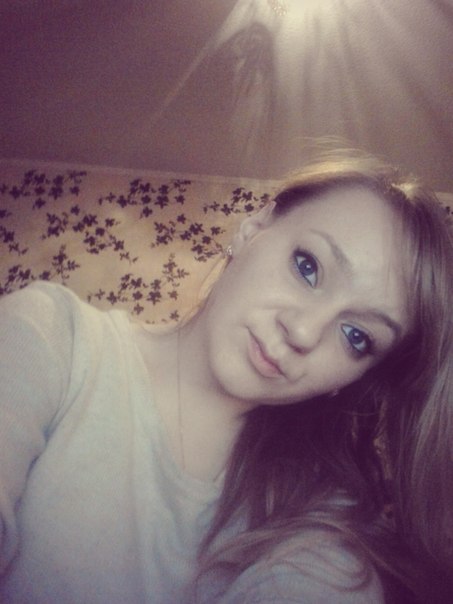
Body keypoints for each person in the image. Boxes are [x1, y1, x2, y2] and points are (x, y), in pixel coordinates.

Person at [0, 151, 451, 603]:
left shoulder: (321, 521)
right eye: (307, 267)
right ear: (253, 228)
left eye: (356, 336)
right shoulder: (55, 336)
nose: (302, 332)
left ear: (352, 378)